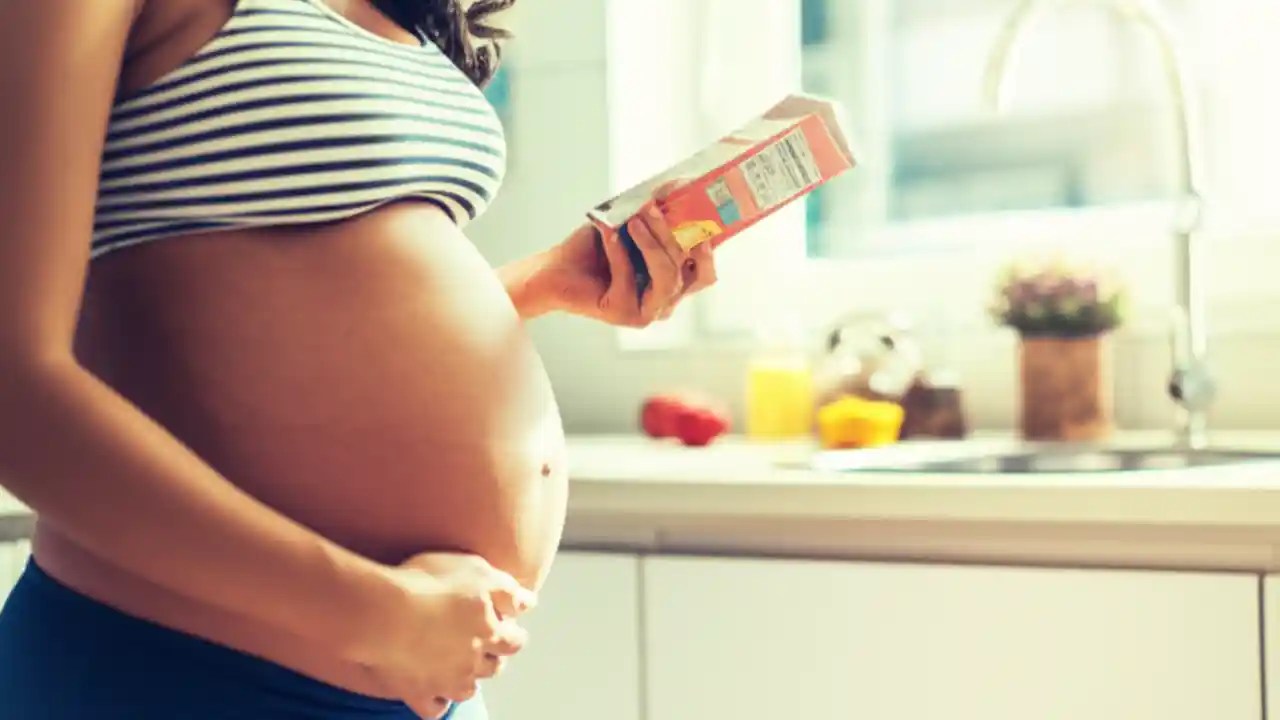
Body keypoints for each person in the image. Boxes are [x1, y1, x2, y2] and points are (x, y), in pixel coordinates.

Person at [0, 0, 717, 718]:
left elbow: (294, 326)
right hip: (178, 670)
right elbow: (15, 393)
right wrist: (382, 616)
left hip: (420, 669)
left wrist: (540, 286)